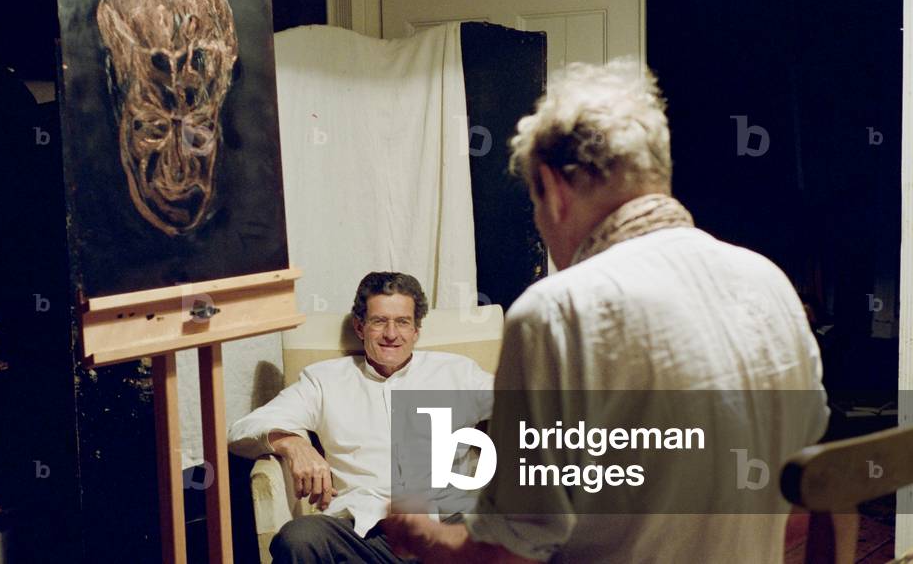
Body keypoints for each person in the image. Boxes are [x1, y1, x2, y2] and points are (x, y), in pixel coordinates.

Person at [382, 59, 828, 563]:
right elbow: (797, 505)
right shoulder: (767, 281)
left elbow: (506, 558)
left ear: (552, 188)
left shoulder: (556, 312)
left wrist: (420, 532)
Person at [230, 271, 494, 564]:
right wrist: (293, 444)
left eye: (403, 322)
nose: (391, 334)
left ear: (417, 330)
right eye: (379, 321)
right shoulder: (324, 381)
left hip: (449, 526)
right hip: (364, 532)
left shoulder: (457, 373)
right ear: (360, 326)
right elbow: (240, 431)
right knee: (299, 538)